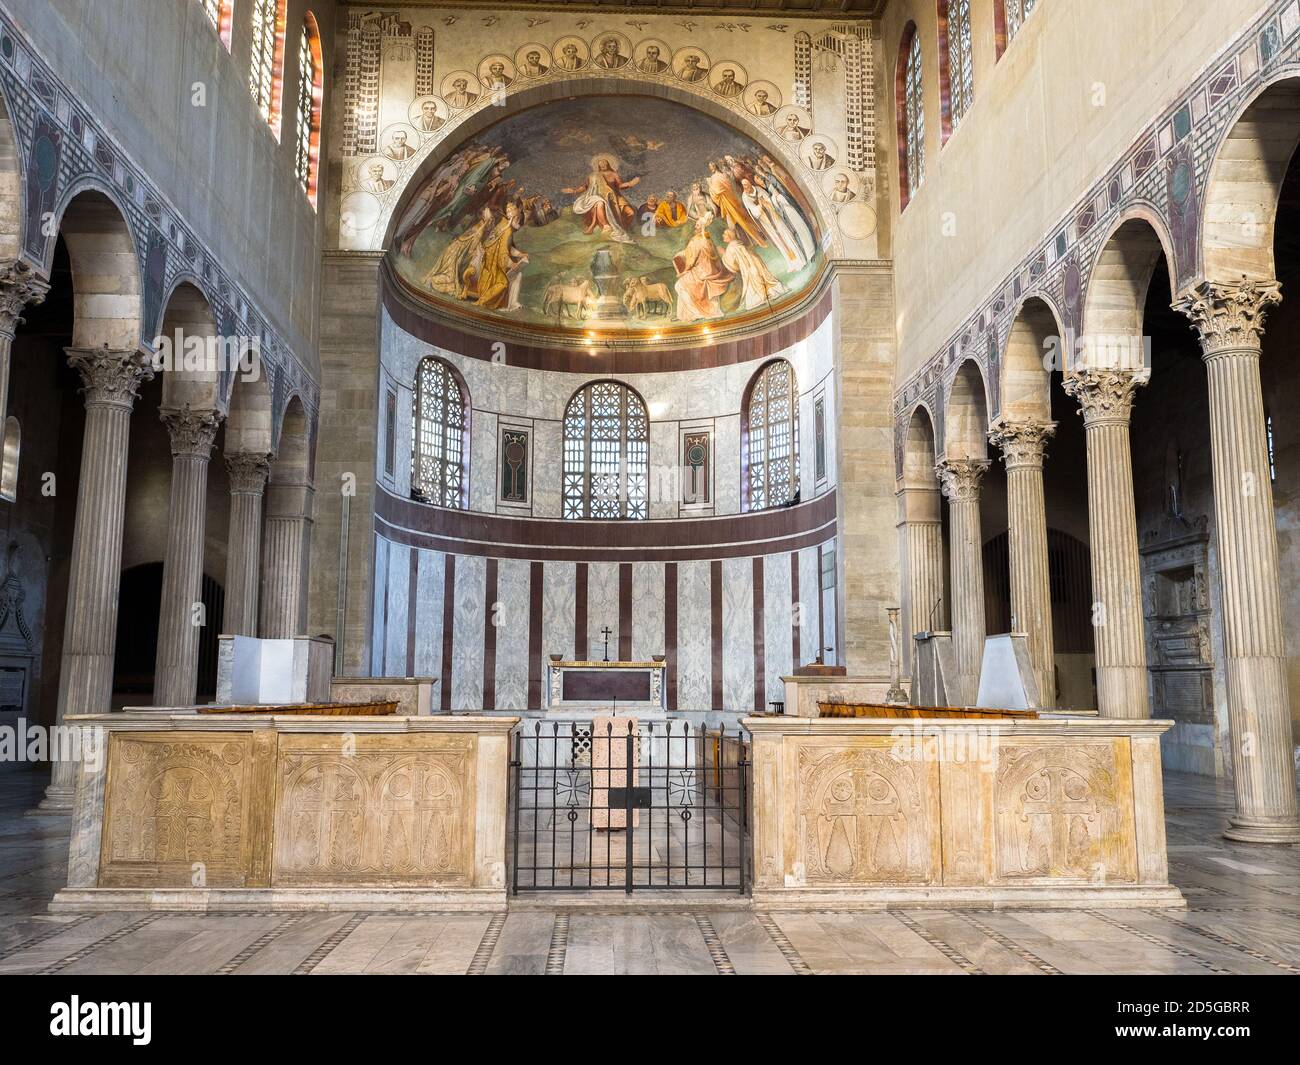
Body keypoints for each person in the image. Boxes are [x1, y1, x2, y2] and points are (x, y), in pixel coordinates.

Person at [563, 157, 640, 242]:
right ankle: (608, 227)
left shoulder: (613, 174)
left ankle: (621, 229)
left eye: (604, 162)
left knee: (630, 212)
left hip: (614, 197)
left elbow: (620, 186)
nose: (603, 164)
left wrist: (631, 183)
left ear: (608, 164)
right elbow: (585, 186)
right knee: (600, 203)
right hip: (599, 196)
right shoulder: (593, 175)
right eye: (601, 163)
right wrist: (574, 191)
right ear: (598, 165)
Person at [424, 206, 494, 299]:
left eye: (491, 220)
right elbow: (474, 240)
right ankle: (435, 280)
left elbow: (475, 240)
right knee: (450, 272)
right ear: (485, 219)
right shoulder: (480, 227)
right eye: (490, 219)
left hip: (459, 247)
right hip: (458, 249)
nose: (491, 222)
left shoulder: (481, 226)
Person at [673, 214, 734, 322]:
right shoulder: (706, 237)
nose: (695, 227)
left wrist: (683, 269)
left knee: (679, 286)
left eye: (697, 225)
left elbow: (691, 260)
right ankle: (685, 314)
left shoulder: (696, 240)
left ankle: (696, 313)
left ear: (701, 227)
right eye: (695, 225)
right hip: (710, 269)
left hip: (702, 272)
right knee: (680, 285)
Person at [741, 178, 805, 271]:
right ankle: (791, 263)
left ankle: (799, 260)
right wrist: (760, 206)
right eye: (744, 186)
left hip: (774, 217)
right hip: (766, 222)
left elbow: (769, 199)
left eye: (747, 184)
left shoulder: (758, 189)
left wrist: (766, 202)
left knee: (787, 237)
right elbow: (753, 211)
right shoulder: (745, 197)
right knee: (779, 242)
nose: (746, 187)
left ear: (750, 184)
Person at [476, 201, 528, 310]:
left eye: (513, 209)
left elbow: (508, 247)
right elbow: (503, 250)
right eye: (509, 211)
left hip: (495, 261)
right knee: (503, 283)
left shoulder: (508, 226)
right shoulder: (507, 229)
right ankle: (482, 301)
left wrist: (520, 254)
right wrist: (511, 263)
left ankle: (511, 303)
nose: (519, 223)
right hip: (493, 263)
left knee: (517, 276)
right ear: (511, 216)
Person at [720, 227, 786, 309]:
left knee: (756, 280)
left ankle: (761, 297)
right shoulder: (736, 243)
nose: (723, 236)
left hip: (750, 266)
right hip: (754, 262)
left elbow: (733, 263)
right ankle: (765, 294)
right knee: (759, 278)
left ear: (729, 236)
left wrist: (723, 255)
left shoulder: (732, 246)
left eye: (725, 235)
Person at [707, 161, 765, 246]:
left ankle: (756, 237)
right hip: (729, 202)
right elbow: (720, 191)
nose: (712, 168)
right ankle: (750, 240)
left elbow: (718, 192)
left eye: (712, 166)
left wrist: (711, 188)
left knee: (741, 219)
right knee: (738, 221)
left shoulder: (718, 177)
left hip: (730, 201)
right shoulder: (721, 175)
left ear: (713, 168)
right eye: (711, 166)